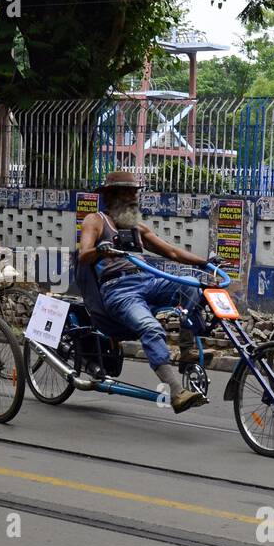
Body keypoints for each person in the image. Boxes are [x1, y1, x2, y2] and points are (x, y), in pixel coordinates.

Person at [76, 171, 211, 414]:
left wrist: (206, 263)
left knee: (191, 284)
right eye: (128, 193)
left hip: (148, 281)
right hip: (119, 289)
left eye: (135, 193)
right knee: (150, 328)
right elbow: (84, 254)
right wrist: (101, 250)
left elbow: (172, 253)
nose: (134, 198)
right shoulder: (95, 220)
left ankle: (187, 348)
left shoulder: (137, 227)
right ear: (112, 196)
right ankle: (176, 391)